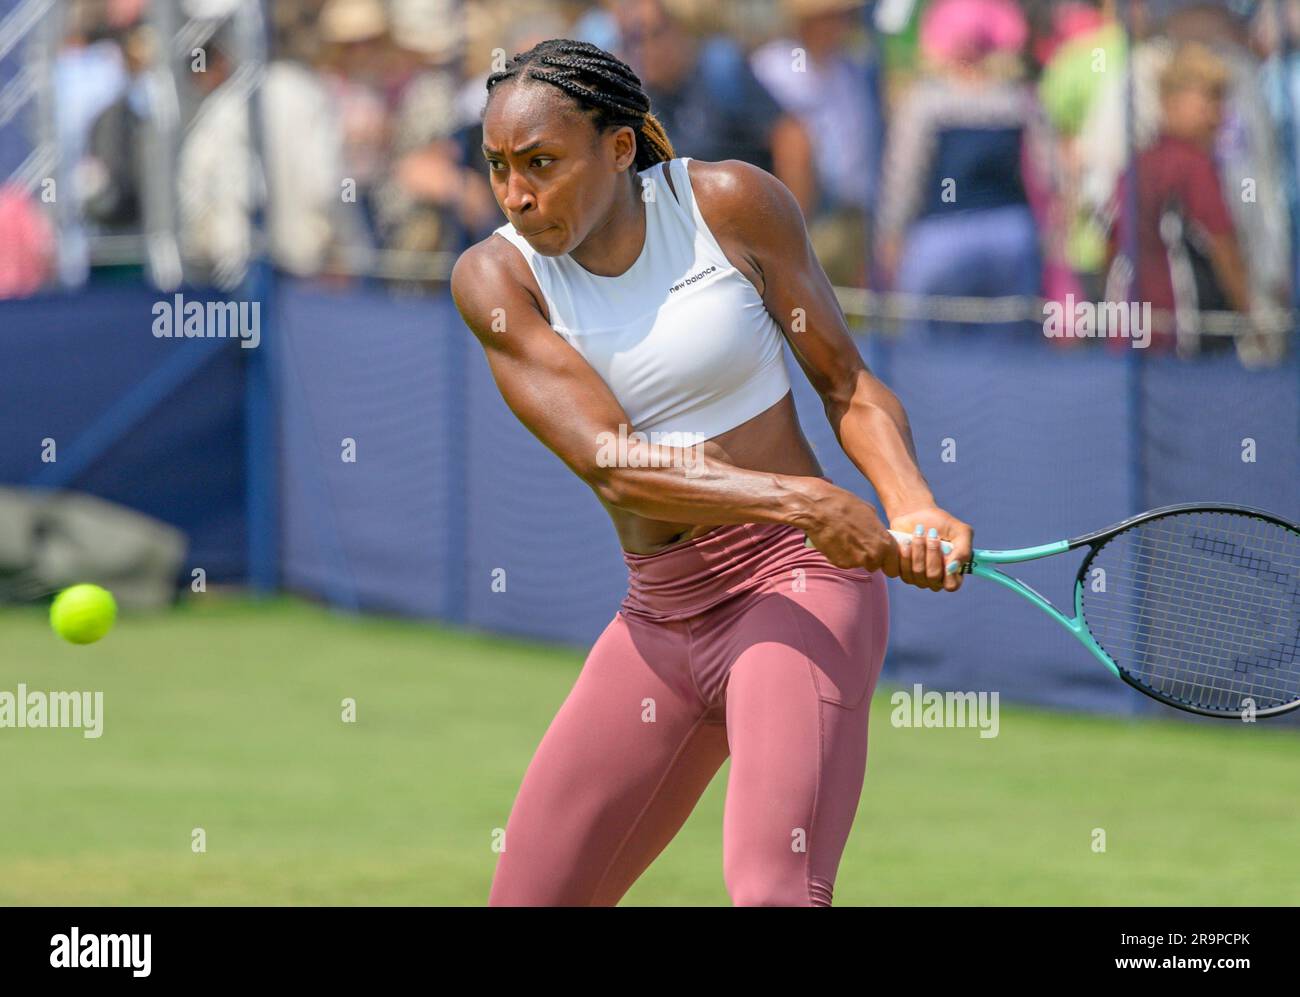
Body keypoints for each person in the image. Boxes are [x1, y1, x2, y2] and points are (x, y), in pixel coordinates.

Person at [451, 38, 972, 907]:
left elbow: (845, 383)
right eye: (499, 167)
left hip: (800, 583)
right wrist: (800, 497)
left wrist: (912, 501)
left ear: (619, 148)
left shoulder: (731, 204)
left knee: (774, 892)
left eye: (541, 162)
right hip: (661, 609)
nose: (516, 193)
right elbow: (614, 464)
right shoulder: (496, 277)